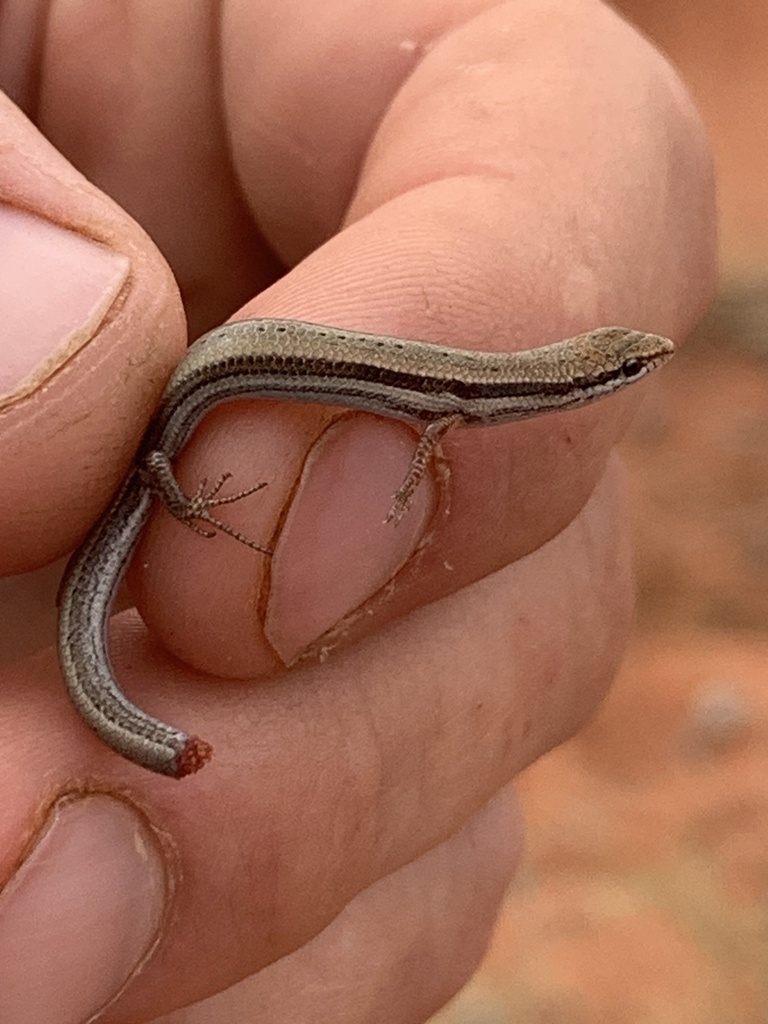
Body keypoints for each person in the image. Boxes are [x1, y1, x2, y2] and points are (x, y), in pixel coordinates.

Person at [0, 2, 714, 1021]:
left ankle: (139, 715)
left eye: (629, 368)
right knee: (174, 488)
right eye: (627, 368)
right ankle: (144, 661)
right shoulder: (474, 396)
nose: (636, 373)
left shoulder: (474, 394)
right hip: (198, 389)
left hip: (199, 398)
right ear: (582, 382)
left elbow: (428, 432)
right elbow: (424, 432)